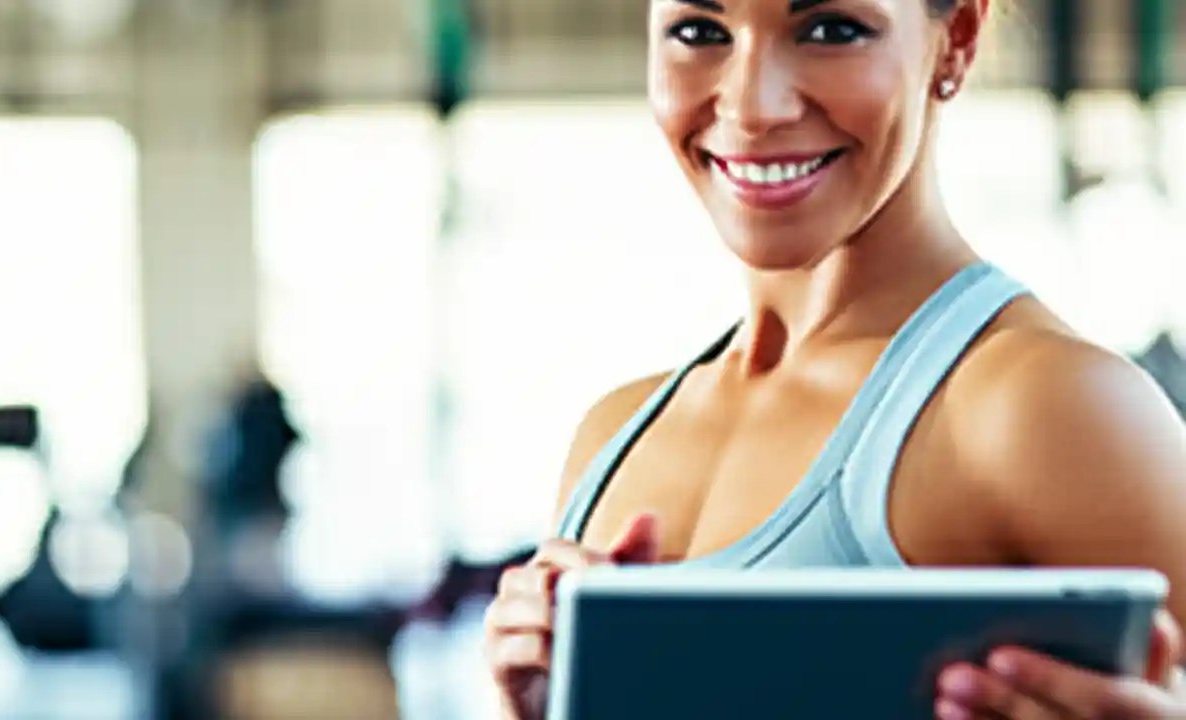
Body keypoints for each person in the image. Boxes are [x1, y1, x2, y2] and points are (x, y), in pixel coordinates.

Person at [483, 0, 1186, 718]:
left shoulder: (1046, 407)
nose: (753, 107)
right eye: (700, 31)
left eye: (831, 30)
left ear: (957, 41)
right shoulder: (613, 436)